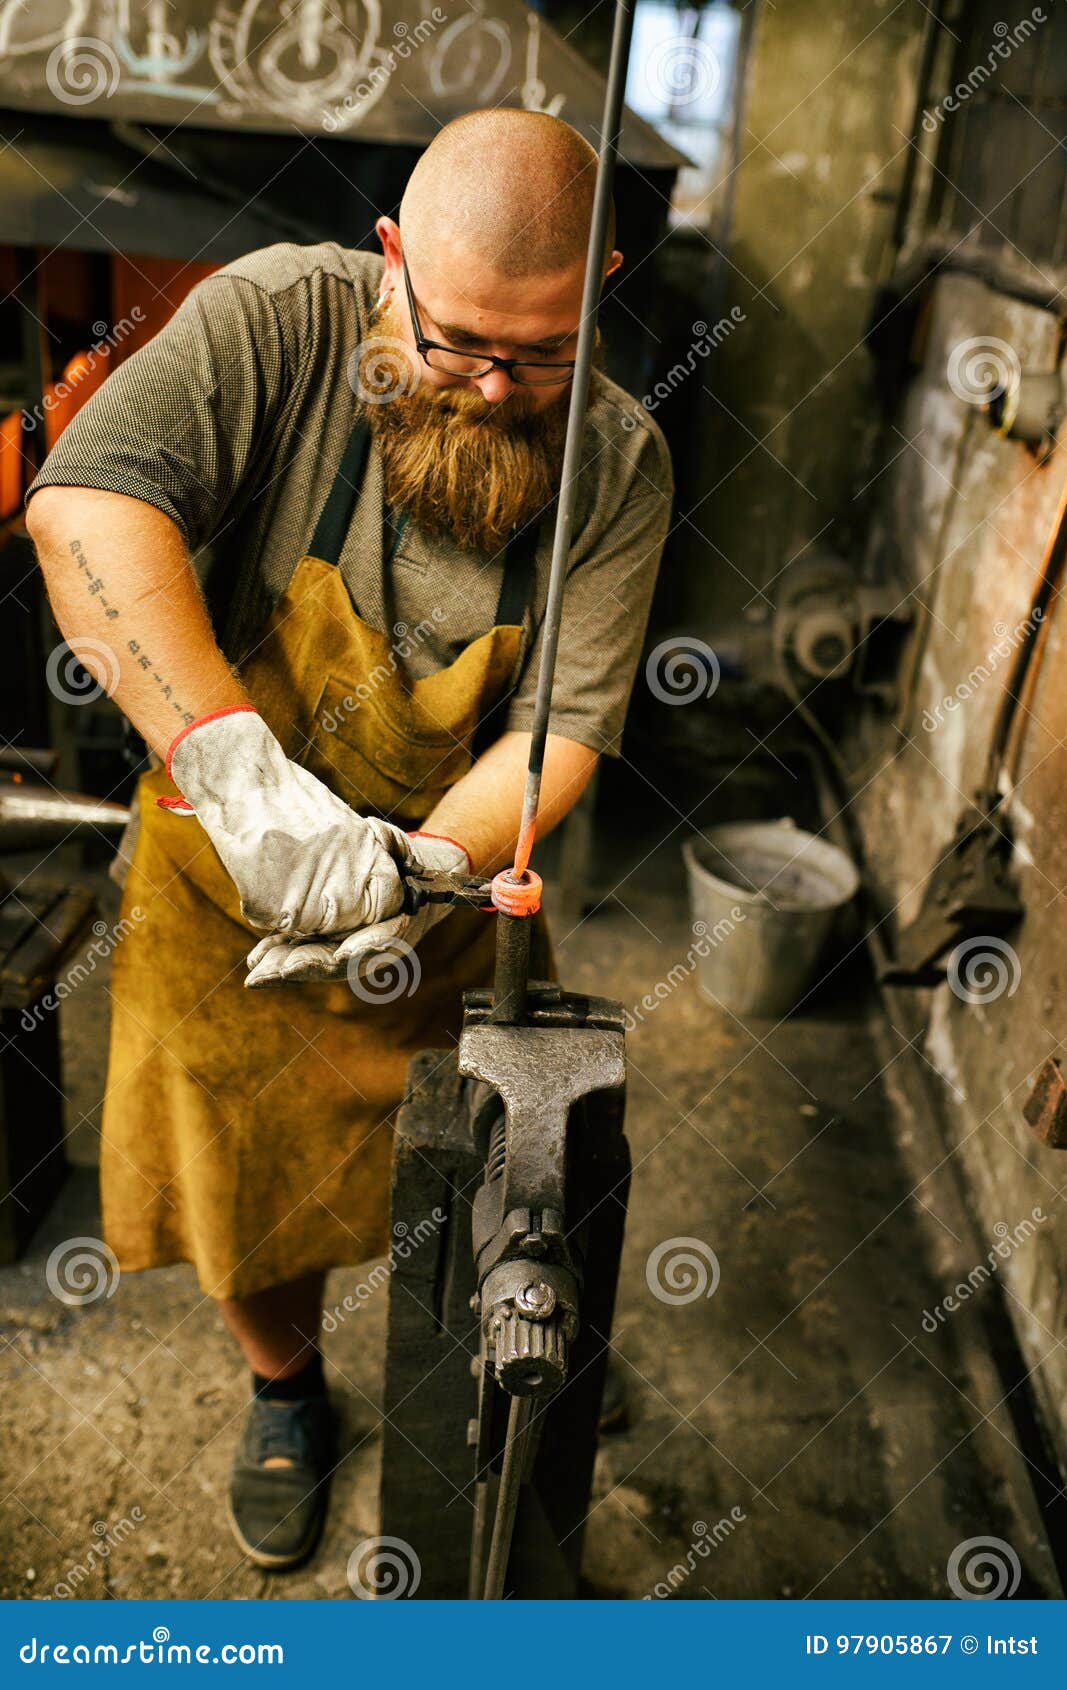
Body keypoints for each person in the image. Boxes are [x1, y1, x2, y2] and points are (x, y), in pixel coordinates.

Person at [25, 107, 673, 1570]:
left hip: (445, 891)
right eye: (458, 344)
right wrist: (238, 772)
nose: (500, 386)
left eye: (545, 351)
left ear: (607, 288)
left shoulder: (618, 458)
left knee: (513, 1164)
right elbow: (85, 509)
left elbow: (561, 728)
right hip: (219, 878)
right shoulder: (283, 323)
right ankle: (288, 1394)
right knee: (236, 1181)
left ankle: (513, 1331)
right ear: (391, 258)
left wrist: (419, 866)